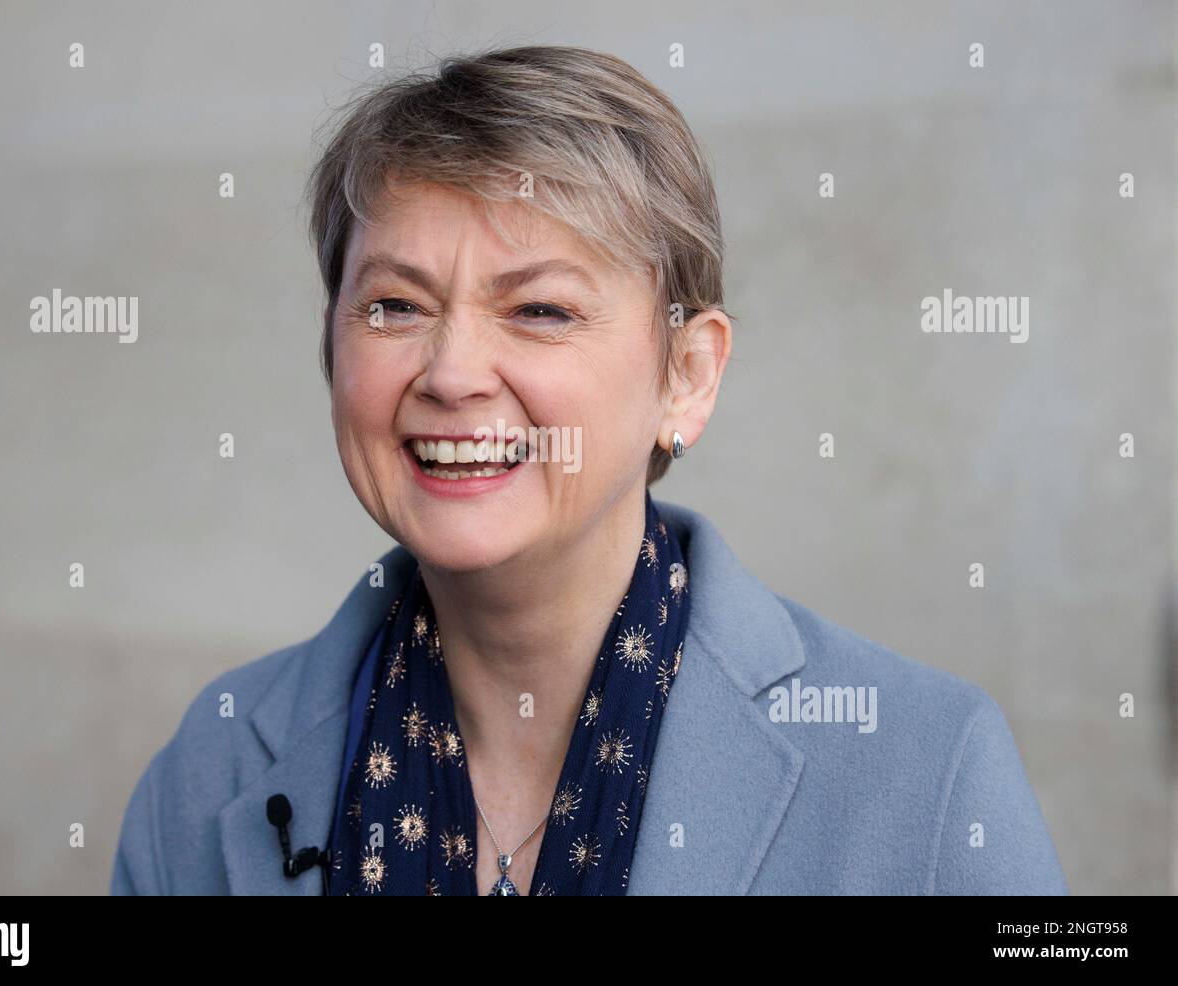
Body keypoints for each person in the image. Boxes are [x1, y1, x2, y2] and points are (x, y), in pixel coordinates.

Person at [111, 44, 1067, 895]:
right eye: (396, 307)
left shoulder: (925, 768)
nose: (449, 374)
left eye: (540, 311)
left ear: (686, 378)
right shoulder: (216, 763)